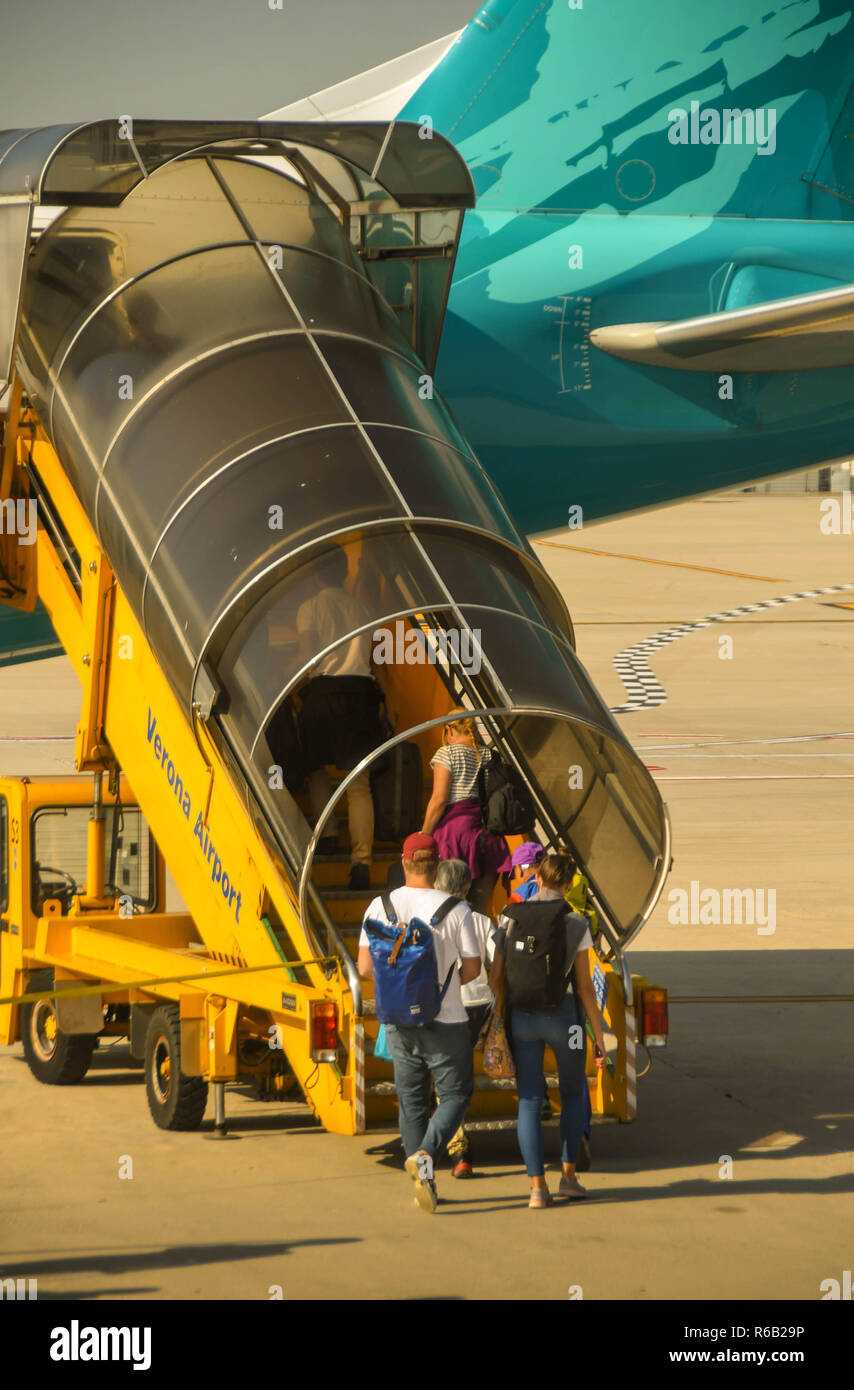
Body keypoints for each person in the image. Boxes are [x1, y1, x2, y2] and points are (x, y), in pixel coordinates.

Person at [358, 832, 482, 1213]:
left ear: (404, 861)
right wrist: (439, 990)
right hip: (445, 1021)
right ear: (438, 862)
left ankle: (422, 1179)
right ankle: (426, 1154)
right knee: (456, 1094)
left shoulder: (378, 907)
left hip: (396, 1020)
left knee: (411, 1101)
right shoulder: (456, 910)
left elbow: (364, 968)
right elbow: (473, 971)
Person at [490, 851, 607, 1209]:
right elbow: (585, 987)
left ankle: (536, 1188)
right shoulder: (576, 923)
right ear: (569, 885)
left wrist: (498, 1020)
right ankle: (568, 1178)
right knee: (572, 1094)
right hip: (566, 1022)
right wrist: (599, 1037)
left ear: (537, 878)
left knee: (528, 1099)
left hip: (523, 1019)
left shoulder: (509, 916)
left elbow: (496, 976)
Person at [296, 548, 384, 890]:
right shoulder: (361, 608)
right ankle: (361, 862)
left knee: (313, 767)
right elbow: (376, 661)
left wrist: (282, 674)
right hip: (361, 697)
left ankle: (329, 834)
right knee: (359, 784)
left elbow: (308, 657)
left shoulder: (310, 608)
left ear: (316, 576)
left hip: (323, 696)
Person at [434, 857, 496, 1179]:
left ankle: (459, 1149)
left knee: (448, 1079)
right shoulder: (482, 920)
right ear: (469, 887)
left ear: (437, 886)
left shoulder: (430, 921)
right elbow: (498, 963)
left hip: (447, 1008)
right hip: (479, 1006)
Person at [421, 718, 510, 914]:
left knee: (446, 910)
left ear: (449, 730)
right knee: (479, 913)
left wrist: (424, 836)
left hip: (454, 836)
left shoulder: (447, 753)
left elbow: (439, 799)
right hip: (488, 837)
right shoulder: (490, 755)